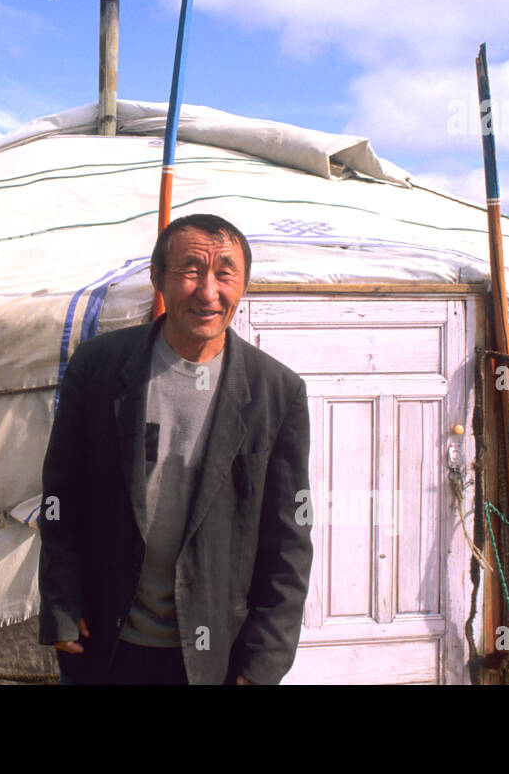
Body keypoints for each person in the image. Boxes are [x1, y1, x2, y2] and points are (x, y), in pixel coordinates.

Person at [37, 213, 312, 685]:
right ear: (157, 278)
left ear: (243, 283)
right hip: (107, 644)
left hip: (215, 656)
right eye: (190, 270)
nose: (208, 292)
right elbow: (61, 497)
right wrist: (61, 604)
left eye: (225, 273)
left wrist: (264, 662)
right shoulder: (100, 369)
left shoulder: (276, 391)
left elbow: (288, 541)